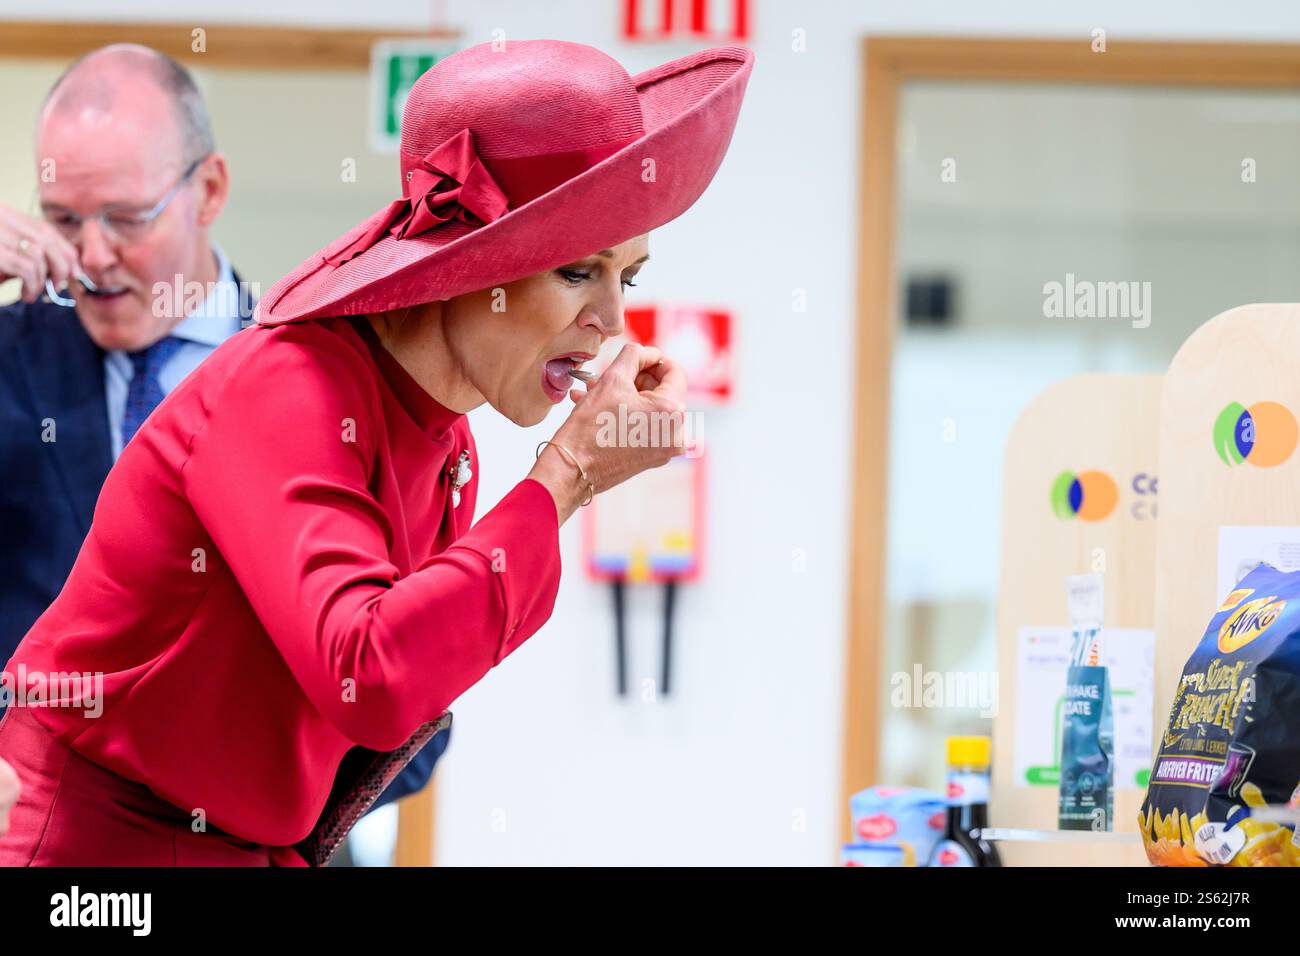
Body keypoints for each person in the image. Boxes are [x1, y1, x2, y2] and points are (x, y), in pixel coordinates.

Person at [0, 38, 753, 865]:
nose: (613, 321)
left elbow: (397, 702)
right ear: (473, 267)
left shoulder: (445, 441)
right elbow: (374, 669)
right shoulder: (288, 386)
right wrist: (564, 476)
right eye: (579, 271)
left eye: (629, 278)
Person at [0, 44, 442, 815]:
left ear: (208, 189)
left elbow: (410, 709)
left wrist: (242, 811)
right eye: (65, 220)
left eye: (126, 218)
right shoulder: (8, 359)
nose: (92, 257)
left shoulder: (332, 379)